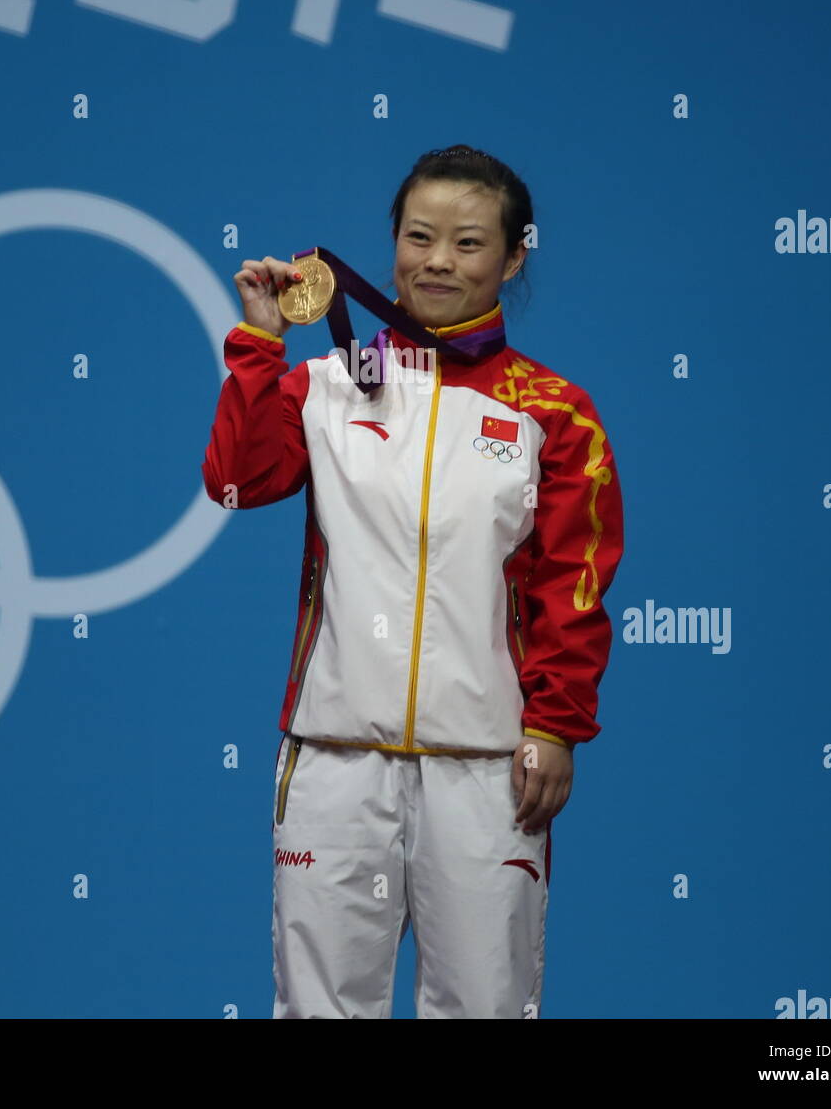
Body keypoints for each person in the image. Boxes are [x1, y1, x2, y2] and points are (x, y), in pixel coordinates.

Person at [202, 144, 625, 1019]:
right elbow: (234, 481)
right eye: (419, 237)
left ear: (513, 258)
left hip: (488, 772)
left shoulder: (555, 414)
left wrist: (556, 724)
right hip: (332, 762)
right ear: (390, 242)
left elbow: (571, 588)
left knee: (484, 1010)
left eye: (469, 244)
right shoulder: (326, 385)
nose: (438, 261)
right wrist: (258, 341)